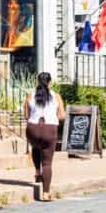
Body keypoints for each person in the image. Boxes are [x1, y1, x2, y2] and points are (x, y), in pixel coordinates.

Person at [23, 71, 65, 201]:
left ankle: (37, 171)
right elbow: (62, 115)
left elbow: (26, 116)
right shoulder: (56, 96)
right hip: (49, 130)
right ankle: (46, 193)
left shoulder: (30, 96)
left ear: (37, 82)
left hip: (33, 129)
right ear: (50, 83)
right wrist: (52, 118)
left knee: (36, 145)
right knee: (47, 163)